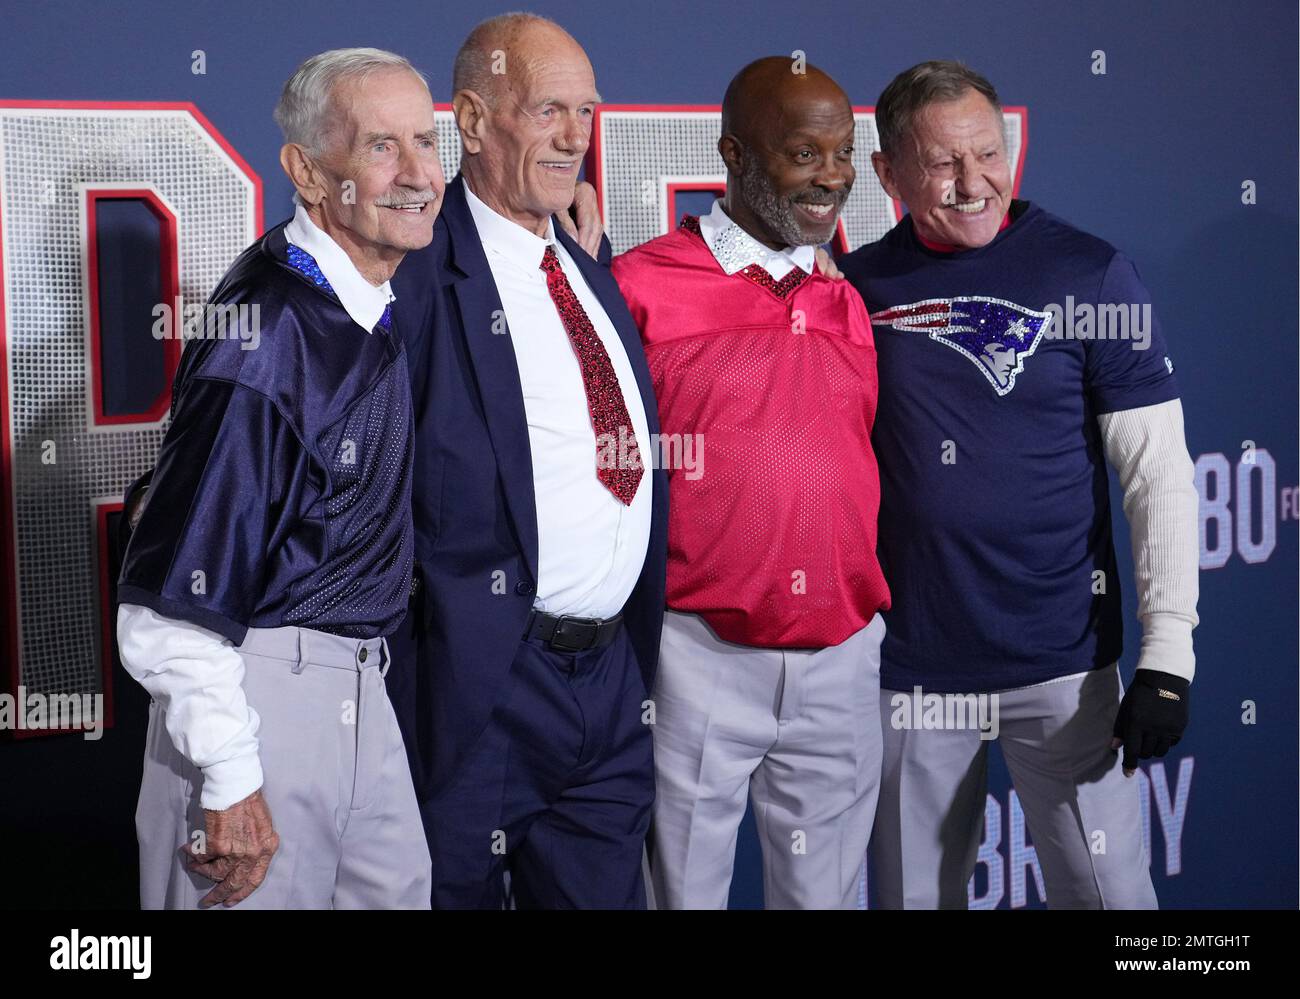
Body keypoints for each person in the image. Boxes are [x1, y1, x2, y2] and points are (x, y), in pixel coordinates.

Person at [837, 60, 1199, 908]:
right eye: (942, 164)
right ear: (887, 173)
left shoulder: (1093, 275)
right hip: (908, 673)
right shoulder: (855, 291)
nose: (974, 184)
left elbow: (1159, 476)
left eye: (989, 154)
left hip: (1066, 670)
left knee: (1114, 905)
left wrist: (1169, 657)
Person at [116, 48, 441, 909]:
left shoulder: (359, 298)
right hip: (261, 701)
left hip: (358, 690)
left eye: (426, 140)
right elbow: (166, 603)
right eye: (381, 147)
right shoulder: (269, 335)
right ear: (305, 169)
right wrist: (229, 773)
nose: (417, 174)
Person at [386, 12, 668, 909]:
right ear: (470, 120)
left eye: (585, 112)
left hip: (610, 692)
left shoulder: (585, 270)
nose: (575, 137)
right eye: (549, 109)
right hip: (479, 691)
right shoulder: (410, 275)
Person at [610, 56, 890, 909]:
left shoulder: (847, 297)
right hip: (696, 656)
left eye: (843, 153)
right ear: (733, 153)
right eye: (806, 154)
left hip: (841, 657)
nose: (833, 177)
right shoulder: (639, 286)